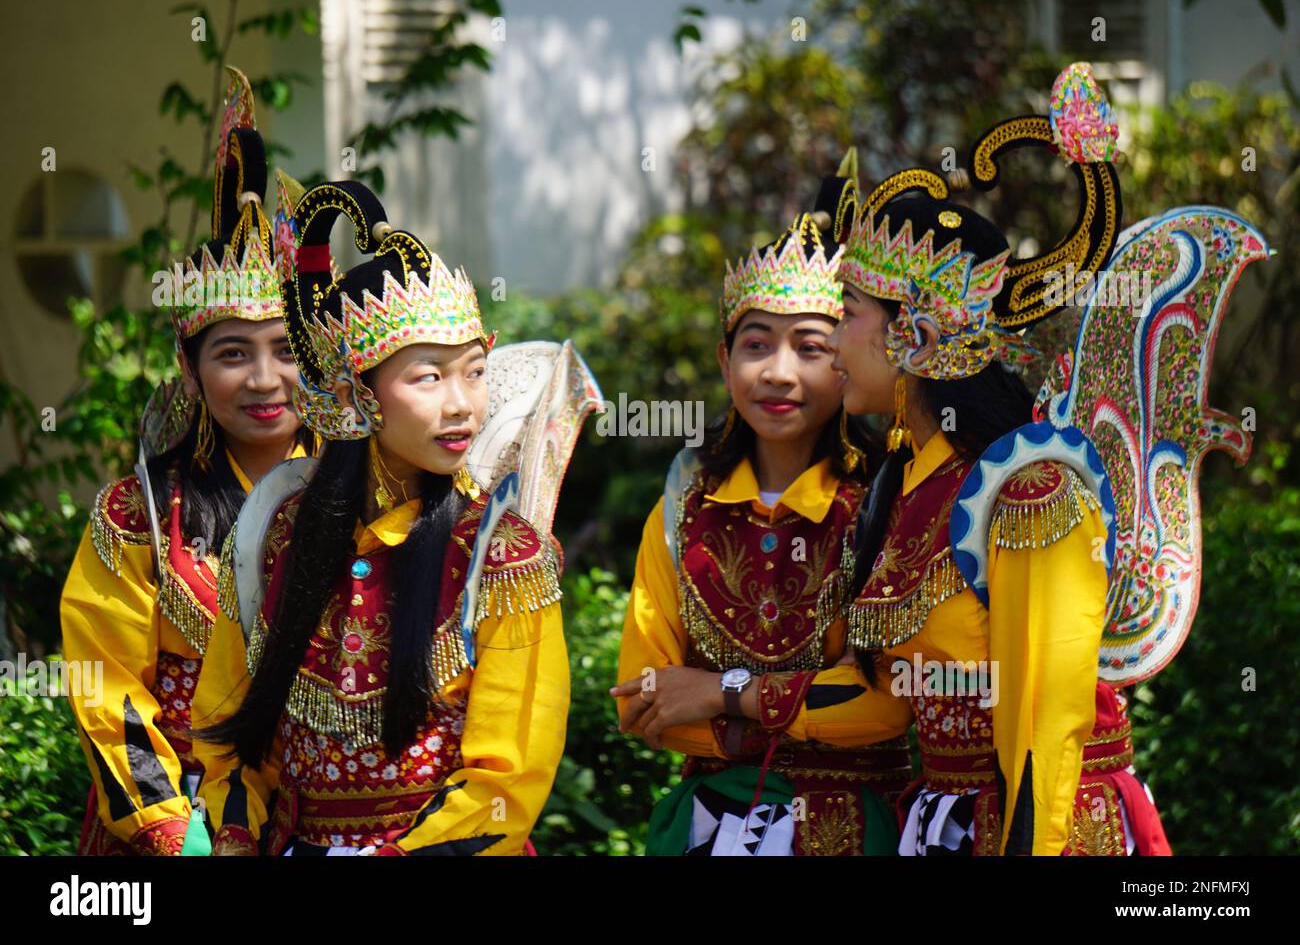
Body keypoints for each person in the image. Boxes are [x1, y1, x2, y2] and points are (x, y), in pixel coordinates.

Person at [828, 64, 1177, 855]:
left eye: (845, 315)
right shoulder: (904, 481)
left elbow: (1045, 722)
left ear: (909, 335)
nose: (829, 340)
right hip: (948, 822)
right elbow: (886, 704)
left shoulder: (1031, 492)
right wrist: (728, 700)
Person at [192, 180, 570, 856]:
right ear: (351, 393)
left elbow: (508, 780)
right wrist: (236, 836)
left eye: (474, 371)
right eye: (428, 376)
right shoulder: (278, 538)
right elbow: (229, 735)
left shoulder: (502, 556)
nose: (462, 404)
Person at [612, 169, 914, 856]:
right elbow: (640, 701)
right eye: (755, 345)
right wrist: (802, 708)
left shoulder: (889, 504)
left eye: (810, 347)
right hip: (710, 830)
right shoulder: (682, 511)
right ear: (724, 362)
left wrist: (722, 693)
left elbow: (887, 707)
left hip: (860, 832)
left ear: (848, 360)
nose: (778, 372)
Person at [60, 66, 309, 855]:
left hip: (318, 821)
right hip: (174, 824)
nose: (265, 380)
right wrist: (178, 833)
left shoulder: (366, 494)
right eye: (234, 354)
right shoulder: (138, 515)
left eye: (287, 352)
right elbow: (107, 688)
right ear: (189, 364)